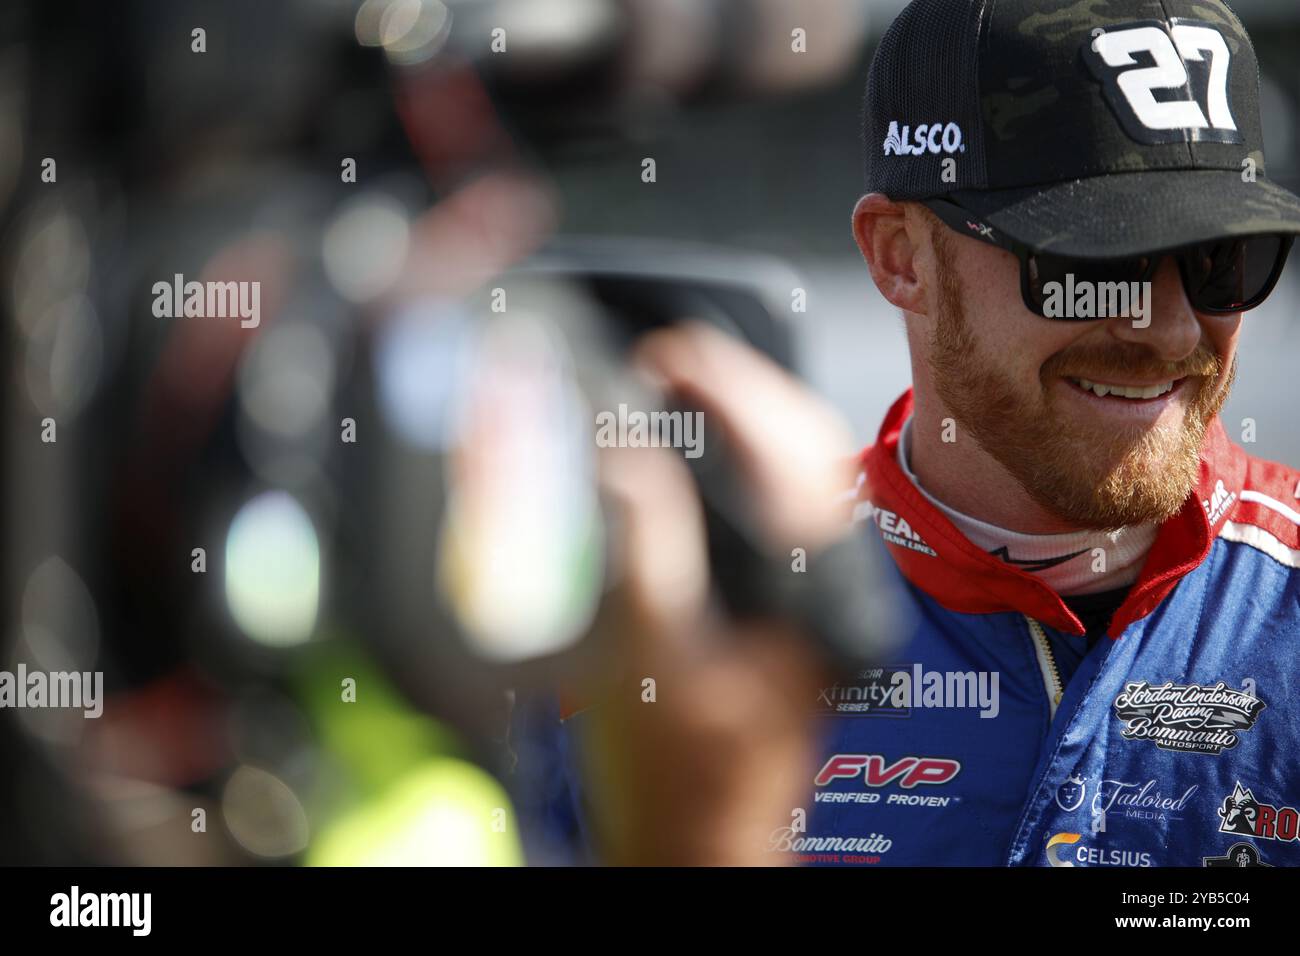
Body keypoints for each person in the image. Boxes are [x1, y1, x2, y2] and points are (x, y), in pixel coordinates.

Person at [512, 0, 1300, 866]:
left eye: (1225, 259)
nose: (1173, 329)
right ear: (900, 255)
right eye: (1101, 261)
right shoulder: (687, 616)